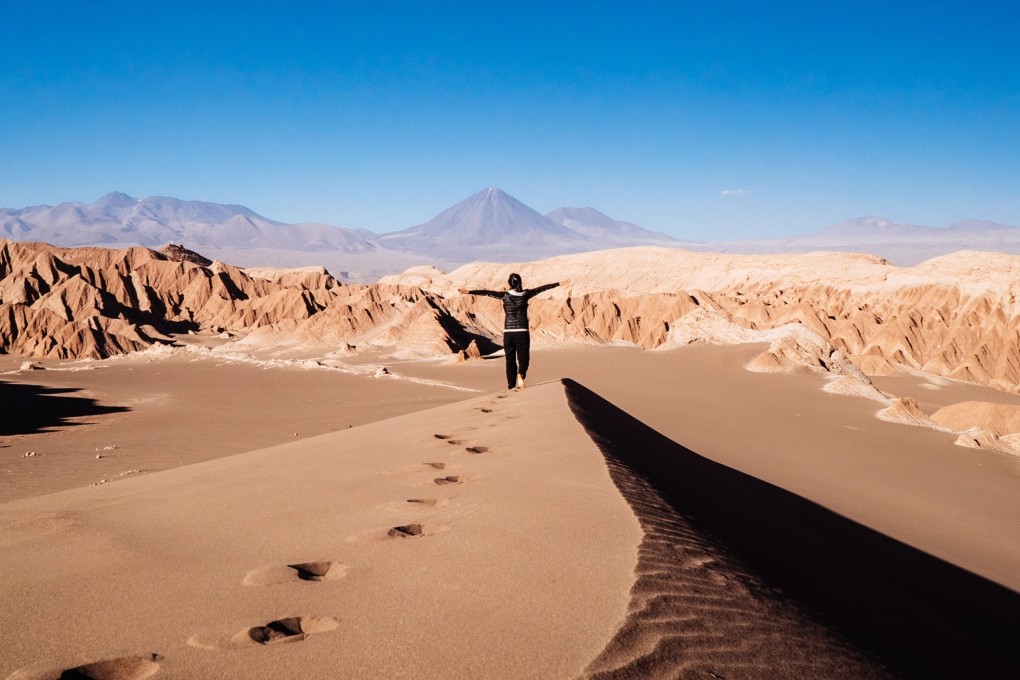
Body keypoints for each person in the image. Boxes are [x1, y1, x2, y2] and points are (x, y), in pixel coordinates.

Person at [458, 273, 570, 390]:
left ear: (509, 284)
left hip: (509, 333)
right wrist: (559, 283)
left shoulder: (505, 296)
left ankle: (511, 386)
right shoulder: (526, 294)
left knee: (510, 360)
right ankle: (520, 374)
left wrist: (469, 292)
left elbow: (487, 292)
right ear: (520, 283)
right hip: (522, 332)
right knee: (524, 358)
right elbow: (542, 288)